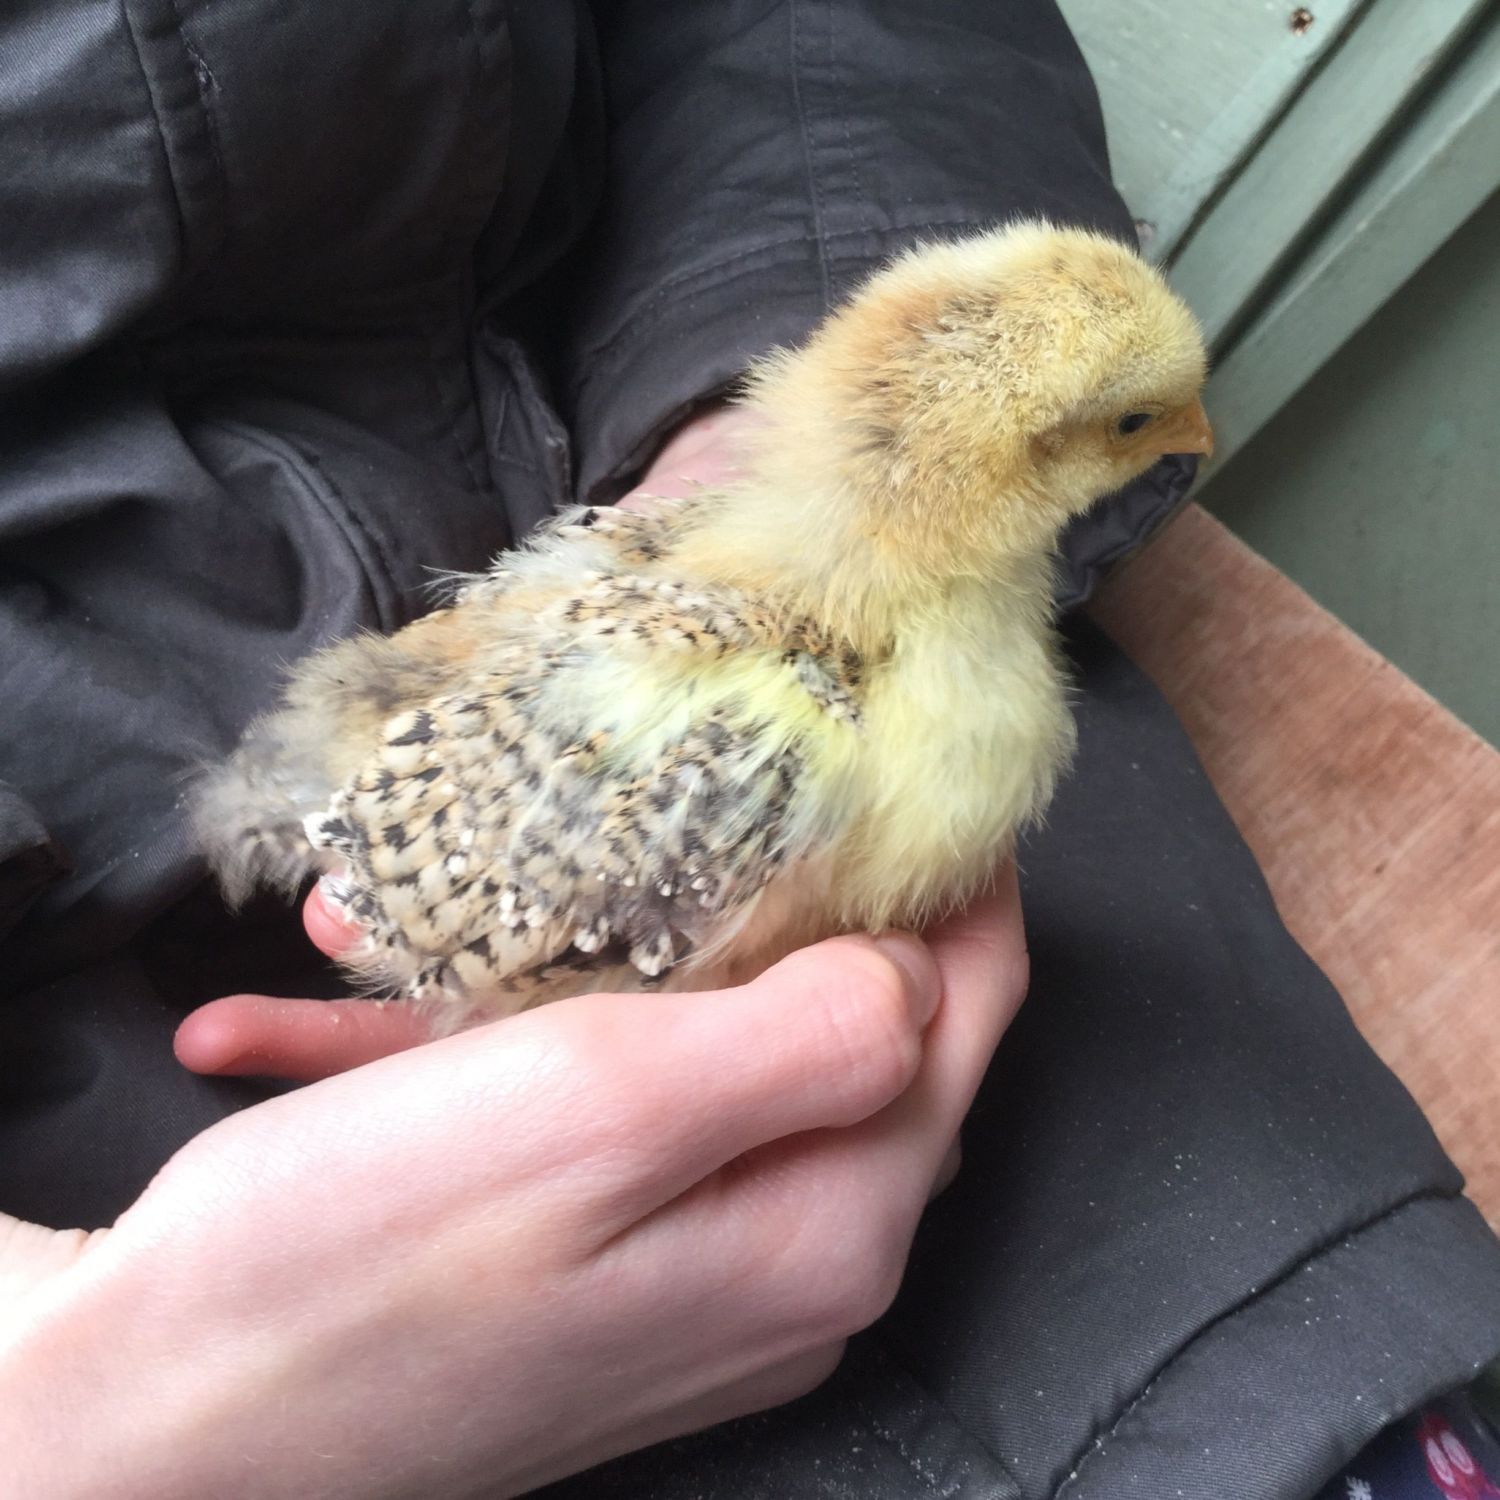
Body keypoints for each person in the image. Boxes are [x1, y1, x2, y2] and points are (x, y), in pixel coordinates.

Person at [1, 3, 1497, 1496]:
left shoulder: (885, 656)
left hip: (1173, 1251)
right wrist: (70, 1431)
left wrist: (717, 411)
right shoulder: (755, 739)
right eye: (1135, 424)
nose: (1188, 431)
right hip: (164, 1138)